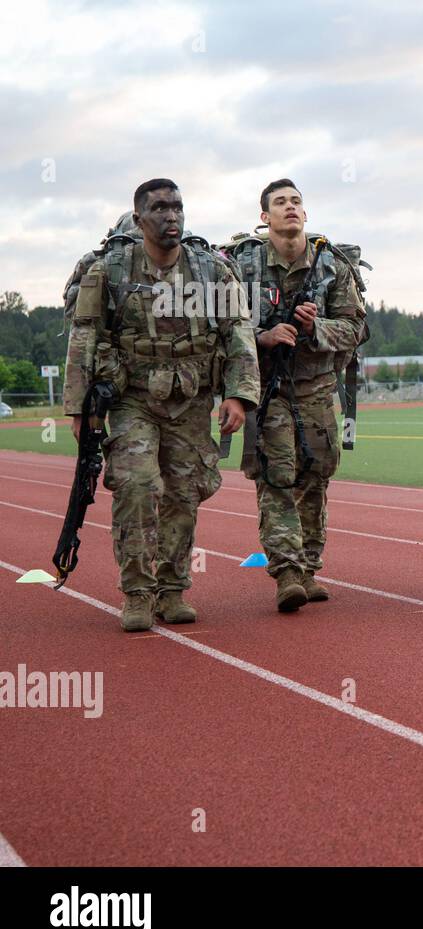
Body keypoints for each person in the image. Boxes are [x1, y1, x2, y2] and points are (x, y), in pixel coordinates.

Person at [65, 179, 259, 630]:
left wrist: (238, 394)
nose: (171, 216)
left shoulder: (212, 269)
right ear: (139, 219)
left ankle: (172, 590)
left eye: (177, 207)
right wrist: (80, 408)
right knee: (138, 486)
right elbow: (84, 337)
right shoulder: (109, 271)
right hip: (133, 397)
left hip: (191, 398)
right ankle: (136, 592)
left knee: (183, 493)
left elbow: (238, 331)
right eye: (159, 208)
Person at [231, 179, 367, 612]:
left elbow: (356, 328)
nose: (290, 208)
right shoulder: (243, 265)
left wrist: (316, 328)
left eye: (296, 202)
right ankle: (287, 572)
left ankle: (308, 568)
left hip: (316, 390)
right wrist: (263, 336)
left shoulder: (331, 264)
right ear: (264, 217)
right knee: (277, 478)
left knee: (315, 477)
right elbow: (222, 329)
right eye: (279, 203)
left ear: (305, 214)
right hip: (269, 391)